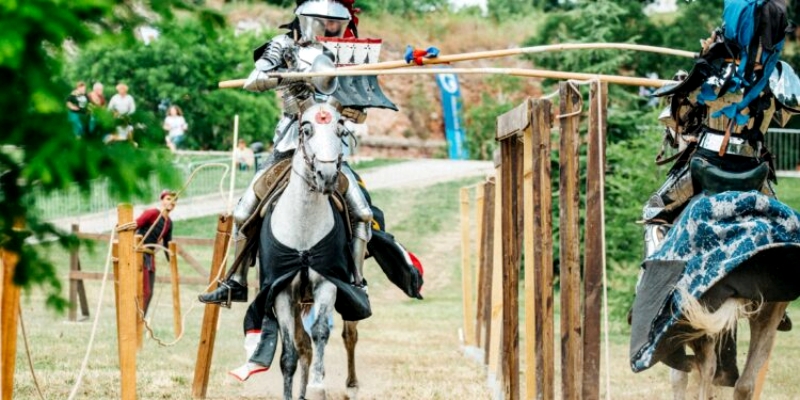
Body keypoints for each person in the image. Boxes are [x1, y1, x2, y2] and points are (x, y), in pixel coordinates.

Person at [199, 0, 423, 382]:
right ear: (306, 20)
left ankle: (353, 278)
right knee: (244, 209)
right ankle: (235, 281)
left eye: (335, 24)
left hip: (329, 147)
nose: (329, 29)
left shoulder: (345, 56)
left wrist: (403, 64)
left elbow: (359, 104)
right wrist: (271, 76)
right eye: (323, 22)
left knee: (363, 210)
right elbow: (259, 74)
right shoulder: (282, 45)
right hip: (291, 143)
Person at [632, 0, 795, 384]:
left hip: (706, 167)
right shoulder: (782, 75)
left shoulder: (710, 65)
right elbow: (786, 113)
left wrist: (691, 84)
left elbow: (679, 120)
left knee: (655, 210)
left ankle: (652, 288)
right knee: (773, 222)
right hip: (754, 173)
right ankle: (775, 302)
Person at [135, 190, 176, 316]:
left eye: (174, 200)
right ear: (162, 200)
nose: (172, 202)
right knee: (143, 290)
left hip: (149, 256)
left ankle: (141, 319)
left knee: (149, 292)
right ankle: (134, 318)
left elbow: (167, 243)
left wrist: (172, 261)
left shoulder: (169, 223)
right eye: (169, 199)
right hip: (139, 253)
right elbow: (135, 225)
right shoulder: (152, 213)